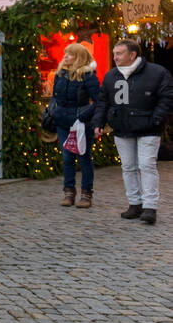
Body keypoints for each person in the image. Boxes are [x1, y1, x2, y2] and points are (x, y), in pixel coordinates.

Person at [93, 38, 173, 225]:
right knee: (128, 166)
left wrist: (156, 119)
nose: (115, 57)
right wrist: (99, 122)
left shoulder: (157, 73)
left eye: (119, 54)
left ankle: (149, 207)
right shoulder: (112, 76)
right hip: (122, 128)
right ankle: (134, 203)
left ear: (132, 54)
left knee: (146, 165)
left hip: (148, 128)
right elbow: (103, 101)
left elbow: (167, 97)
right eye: (114, 54)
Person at [50, 42, 102, 209]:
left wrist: (85, 115)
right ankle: (69, 192)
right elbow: (54, 96)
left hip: (81, 123)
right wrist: (52, 110)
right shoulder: (61, 74)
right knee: (67, 157)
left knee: (84, 157)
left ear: (79, 57)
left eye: (70, 54)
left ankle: (86, 194)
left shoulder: (89, 76)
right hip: (63, 121)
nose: (65, 57)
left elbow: (99, 100)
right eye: (65, 53)